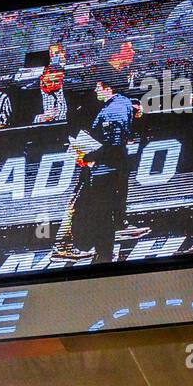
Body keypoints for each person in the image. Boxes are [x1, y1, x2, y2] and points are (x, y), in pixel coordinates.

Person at [52, 72, 137, 263]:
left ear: (108, 88)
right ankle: (95, 246)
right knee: (90, 206)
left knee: (89, 208)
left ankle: (96, 251)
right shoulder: (124, 102)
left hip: (102, 168)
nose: (95, 90)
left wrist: (86, 156)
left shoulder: (111, 111)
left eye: (98, 86)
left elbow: (112, 144)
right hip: (109, 165)